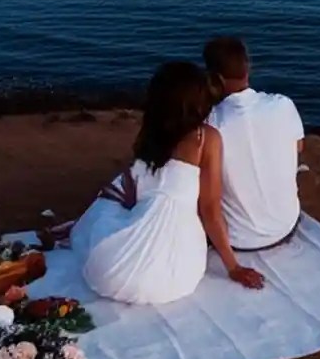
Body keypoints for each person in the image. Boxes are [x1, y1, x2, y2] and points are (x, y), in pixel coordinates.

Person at [68, 61, 264, 305]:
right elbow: (210, 209)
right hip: (173, 279)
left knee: (107, 204)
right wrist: (233, 267)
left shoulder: (151, 131)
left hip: (108, 270)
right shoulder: (206, 138)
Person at [203, 37, 304, 251]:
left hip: (238, 240)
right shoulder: (283, 105)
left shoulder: (210, 124)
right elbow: (298, 147)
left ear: (215, 79)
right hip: (286, 225)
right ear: (247, 69)